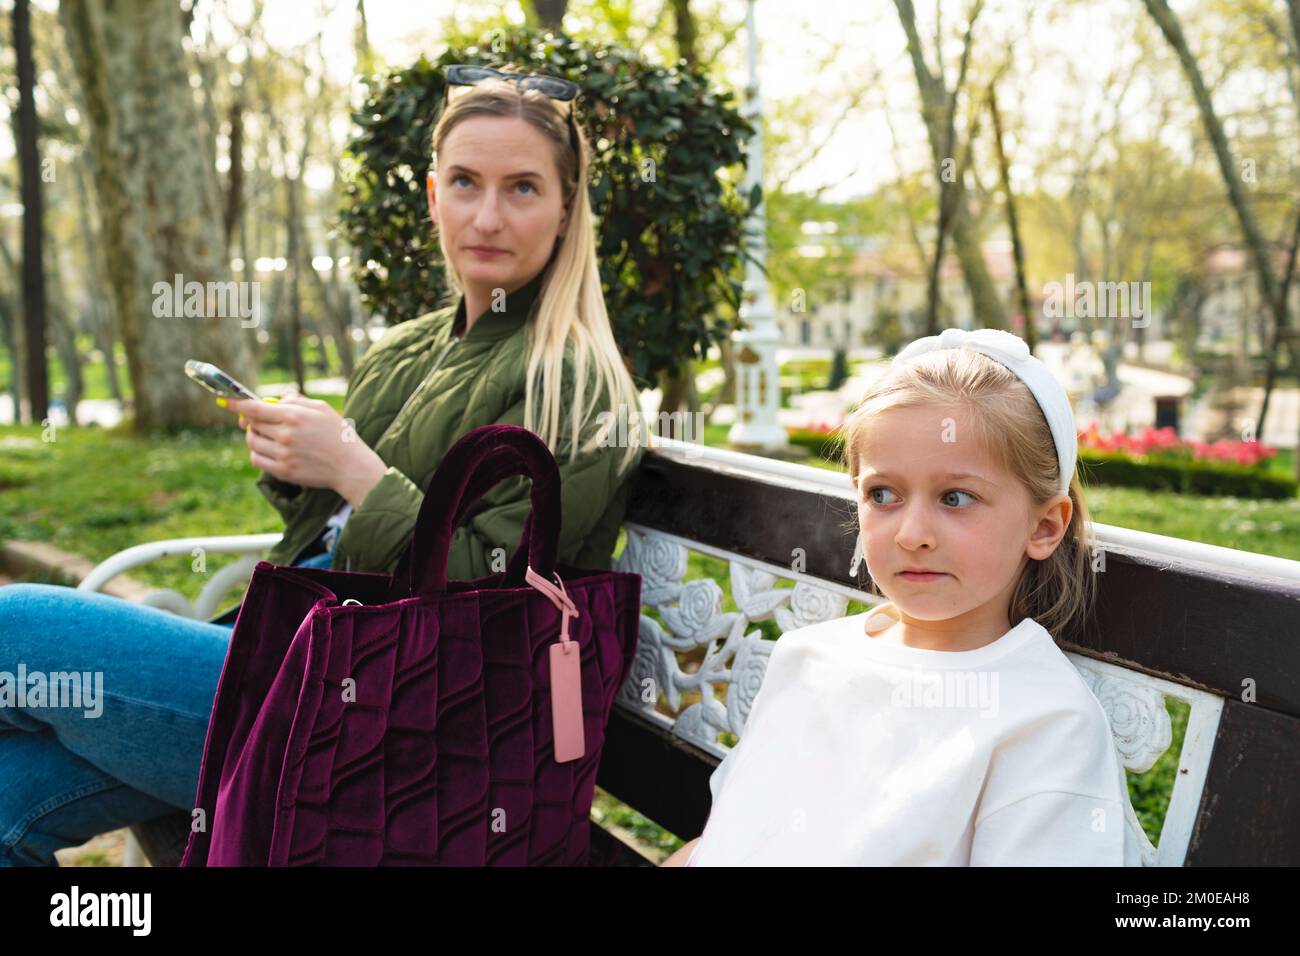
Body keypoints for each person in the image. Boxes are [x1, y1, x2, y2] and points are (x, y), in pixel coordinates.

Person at [0, 63, 648, 866]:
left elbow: (497, 588)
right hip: (305, 658)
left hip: (410, 719)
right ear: (430, 194)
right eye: (464, 182)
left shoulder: (574, 379)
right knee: (7, 796)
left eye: (521, 188)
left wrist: (354, 471)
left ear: (564, 209)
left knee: (16, 629)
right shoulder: (405, 349)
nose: (487, 214)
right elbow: (341, 538)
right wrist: (297, 462)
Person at [664, 327, 1134, 866]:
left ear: (1045, 525)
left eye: (956, 498)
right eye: (882, 494)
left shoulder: (1046, 723)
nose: (912, 534)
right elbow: (723, 840)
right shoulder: (809, 655)